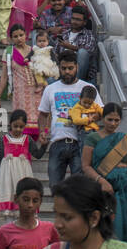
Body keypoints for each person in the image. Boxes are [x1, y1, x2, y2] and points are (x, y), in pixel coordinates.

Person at [81, 104, 127, 248]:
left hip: (126, 188)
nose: (113, 124)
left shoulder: (124, 140)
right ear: (102, 119)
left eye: (117, 120)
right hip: (105, 189)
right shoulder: (93, 138)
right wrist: (101, 181)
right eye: (109, 119)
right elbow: (86, 166)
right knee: (112, 225)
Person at [38, 52, 102, 188]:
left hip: (80, 143)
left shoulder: (88, 88)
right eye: (63, 68)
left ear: (77, 67)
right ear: (59, 68)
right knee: (55, 184)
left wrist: (88, 119)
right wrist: (42, 132)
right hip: (57, 142)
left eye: (70, 68)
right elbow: (43, 114)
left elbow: (101, 111)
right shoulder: (50, 89)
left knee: (79, 186)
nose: (67, 71)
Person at [0, 109, 47, 214]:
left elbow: (38, 155)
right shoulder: (3, 140)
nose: (18, 129)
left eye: (21, 127)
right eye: (15, 126)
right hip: (7, 175)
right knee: (9, 194)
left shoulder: (28, 139)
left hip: (23, 174)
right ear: (10, 124)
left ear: (25, 126)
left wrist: (44, 145)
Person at [0, 23, 46, 138]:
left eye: (21, 35)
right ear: (11, 38)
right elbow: (4, 76)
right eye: (15, 36)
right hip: (20, 93)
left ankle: (33, 150)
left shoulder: (34, 51)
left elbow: (42, 71)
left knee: (37, 125)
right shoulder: (8, 53)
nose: (19, 38)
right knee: (21, 125)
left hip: (36, 92)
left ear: (26, 35)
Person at [59, 4, 97, 80]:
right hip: (63, 69)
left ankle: (75, 81)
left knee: (82, 52)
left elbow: (88, 51)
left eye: (78, 20)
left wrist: (70, 47)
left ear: (85, 22)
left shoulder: (88, 34)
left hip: (80, 72)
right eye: (73, 18)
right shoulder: (65, 33)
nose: (74, 22)